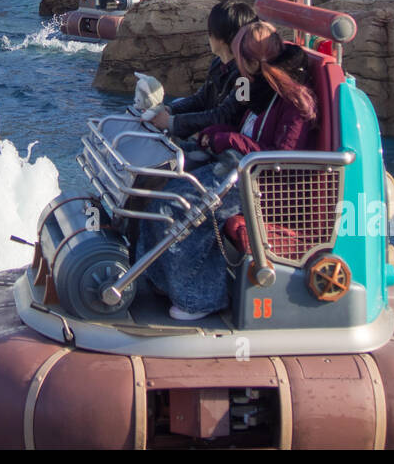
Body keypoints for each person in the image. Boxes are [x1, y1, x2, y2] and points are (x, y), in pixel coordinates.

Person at [136, 22, 317, 321]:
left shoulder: (293, 101)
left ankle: (200, 299)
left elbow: (282, 160)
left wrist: (225, 139)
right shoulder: (262, 89)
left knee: (181, 210)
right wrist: (213, 133)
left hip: (261, 186)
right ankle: (163, 281)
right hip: (236, 172)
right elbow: (236, 124)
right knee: (163, 196)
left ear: (249, 61)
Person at [150, 0, 258, 147]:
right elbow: (201, 99)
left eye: (210, 32)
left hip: (224, 147)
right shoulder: (218, 64)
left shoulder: (245, 77)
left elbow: (227, 116)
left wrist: (172, 122)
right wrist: (170, 109)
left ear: (221, 38)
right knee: (176, 102)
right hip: (208, 135)